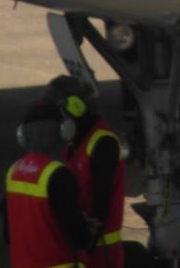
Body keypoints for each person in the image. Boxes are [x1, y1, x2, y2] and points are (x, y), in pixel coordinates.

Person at [3, 98, 95, 268]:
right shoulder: (58, 174)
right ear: (64, 132)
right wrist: (88, 229)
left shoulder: (13, 172)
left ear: (23, 136)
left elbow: (8, 234)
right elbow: (78, 238)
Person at [46, 76, 124, 268]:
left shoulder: (102, 143)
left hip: (100, 250)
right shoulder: (73, 145)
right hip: (84, 247)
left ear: (75, 108)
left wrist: (85, 242)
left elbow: (100, 206)